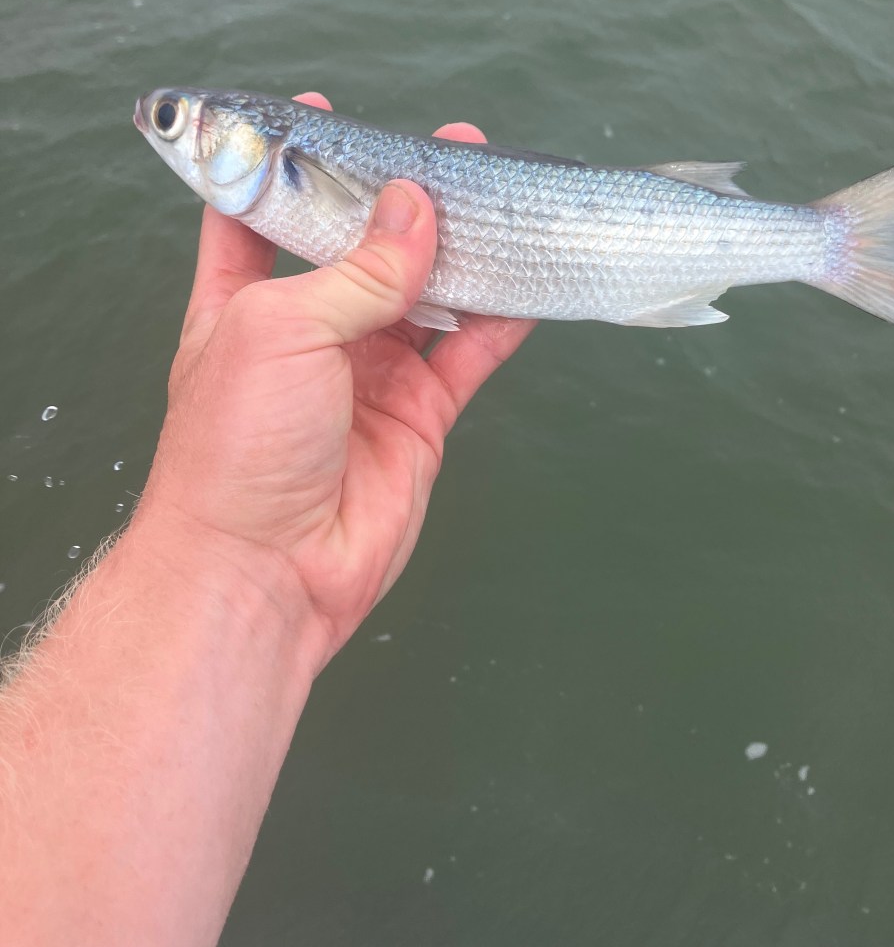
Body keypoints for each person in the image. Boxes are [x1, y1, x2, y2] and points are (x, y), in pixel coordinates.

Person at [0, 94, 533, 947]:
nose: (157, 124)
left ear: (266, 143)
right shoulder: (275, 177)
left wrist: (236, 561)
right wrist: (245, 561)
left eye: (173, 117)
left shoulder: (294, 171)